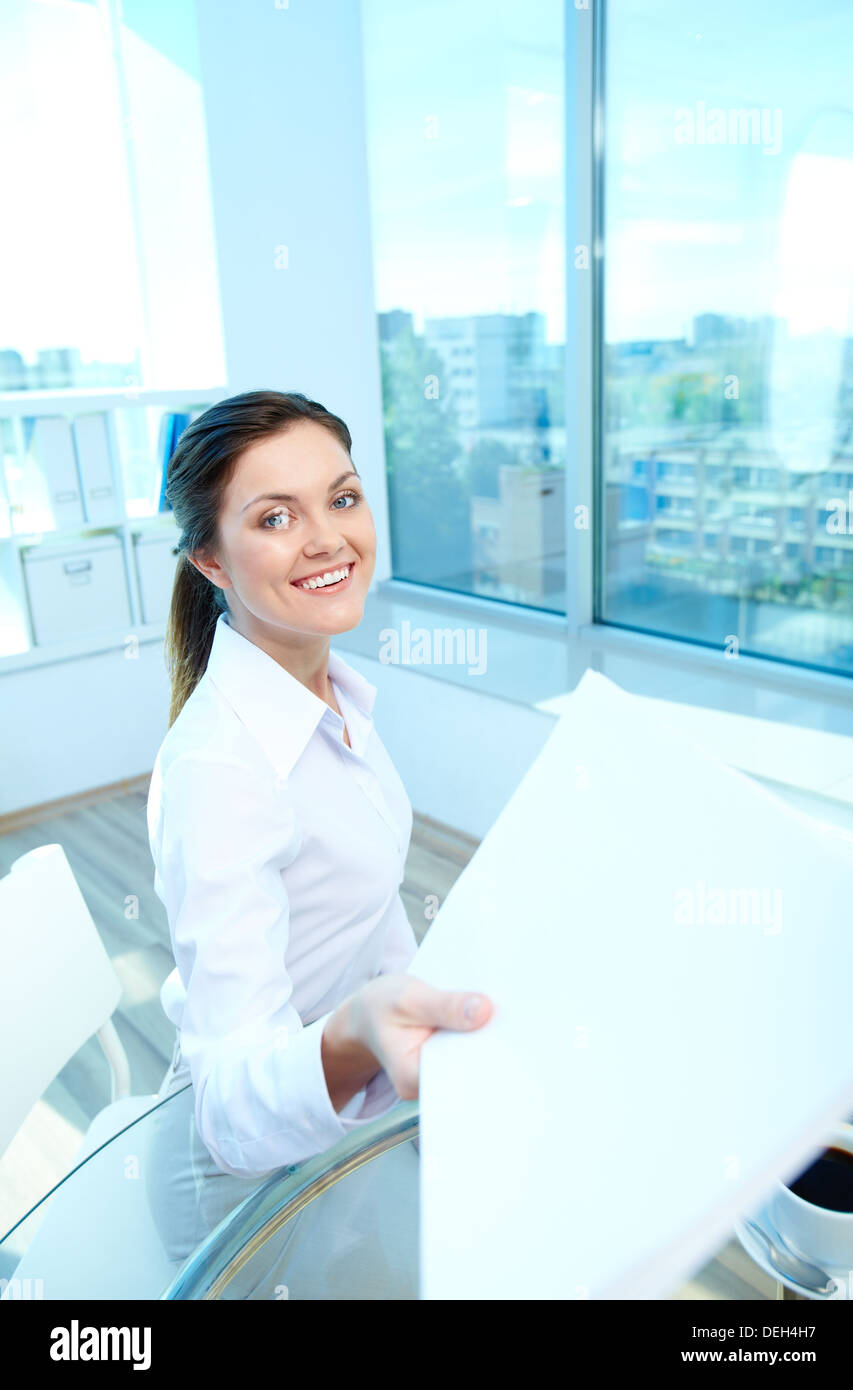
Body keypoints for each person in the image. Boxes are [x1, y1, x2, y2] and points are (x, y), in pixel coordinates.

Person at [143, 389, 494, 1298]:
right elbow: (229, 1112)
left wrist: (403, 1018)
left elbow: (367, 917)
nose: (329, 539)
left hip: (345, 1128)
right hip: (245, 1193)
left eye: (341, 498)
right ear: (210, 562)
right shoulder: (221, 769)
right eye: (274, 517)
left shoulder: (334, 692)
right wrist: (354, 1037)